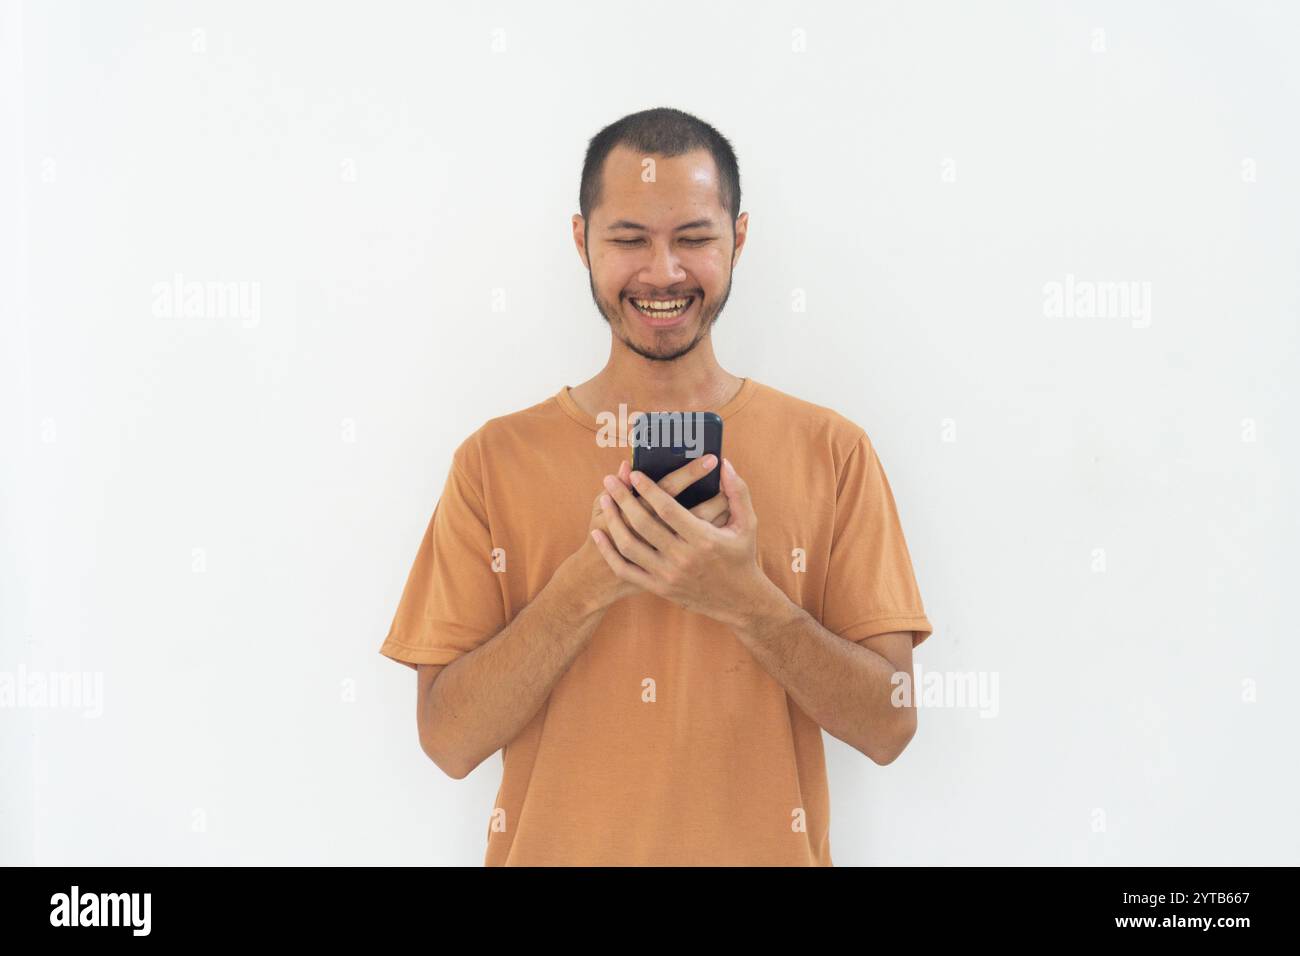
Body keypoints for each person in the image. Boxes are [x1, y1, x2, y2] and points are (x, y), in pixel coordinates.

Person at [379, 106, 934, 866]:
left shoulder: (833, 451)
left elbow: (890, 726)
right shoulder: (493, 461)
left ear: (739, 239)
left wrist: (744, 597)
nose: (664, 272)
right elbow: (447, 740)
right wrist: (591, 580)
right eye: (630, 239)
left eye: (695, 238)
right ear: (582, 241)